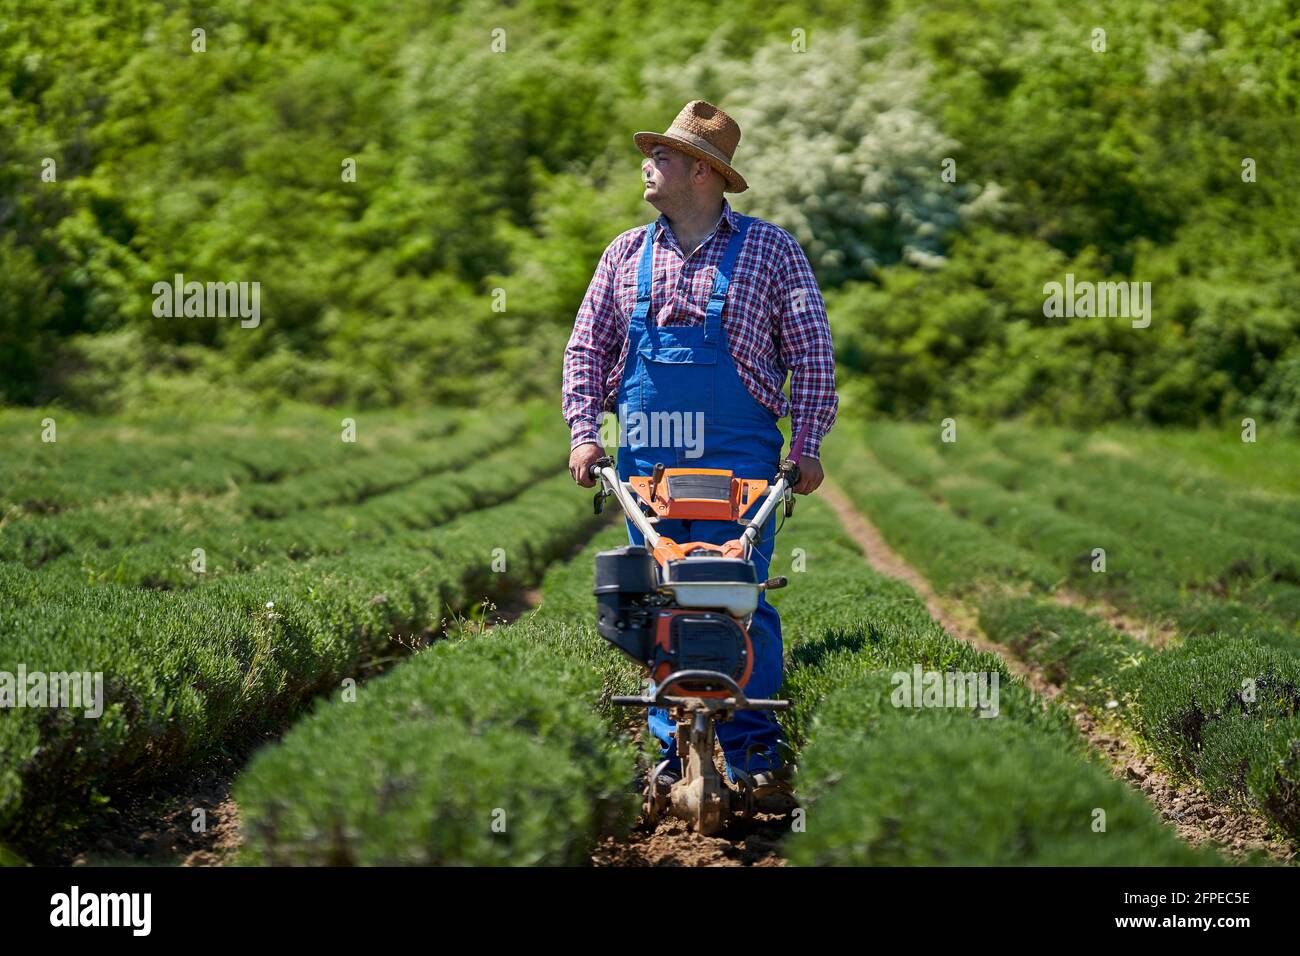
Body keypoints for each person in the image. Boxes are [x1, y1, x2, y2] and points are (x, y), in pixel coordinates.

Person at [562, 100, 838, 797]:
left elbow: (812, 355)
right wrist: (585, 432)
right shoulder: (625, 252)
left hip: (740, 460)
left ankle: (750, 753)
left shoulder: (772, 251)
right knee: (660, 598)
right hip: (647, 461)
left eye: (660, 156)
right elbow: (587, 348)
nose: (646, 165)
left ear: (701, 172)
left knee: (738, 596)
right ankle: (668, 751)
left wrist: (805, 445)